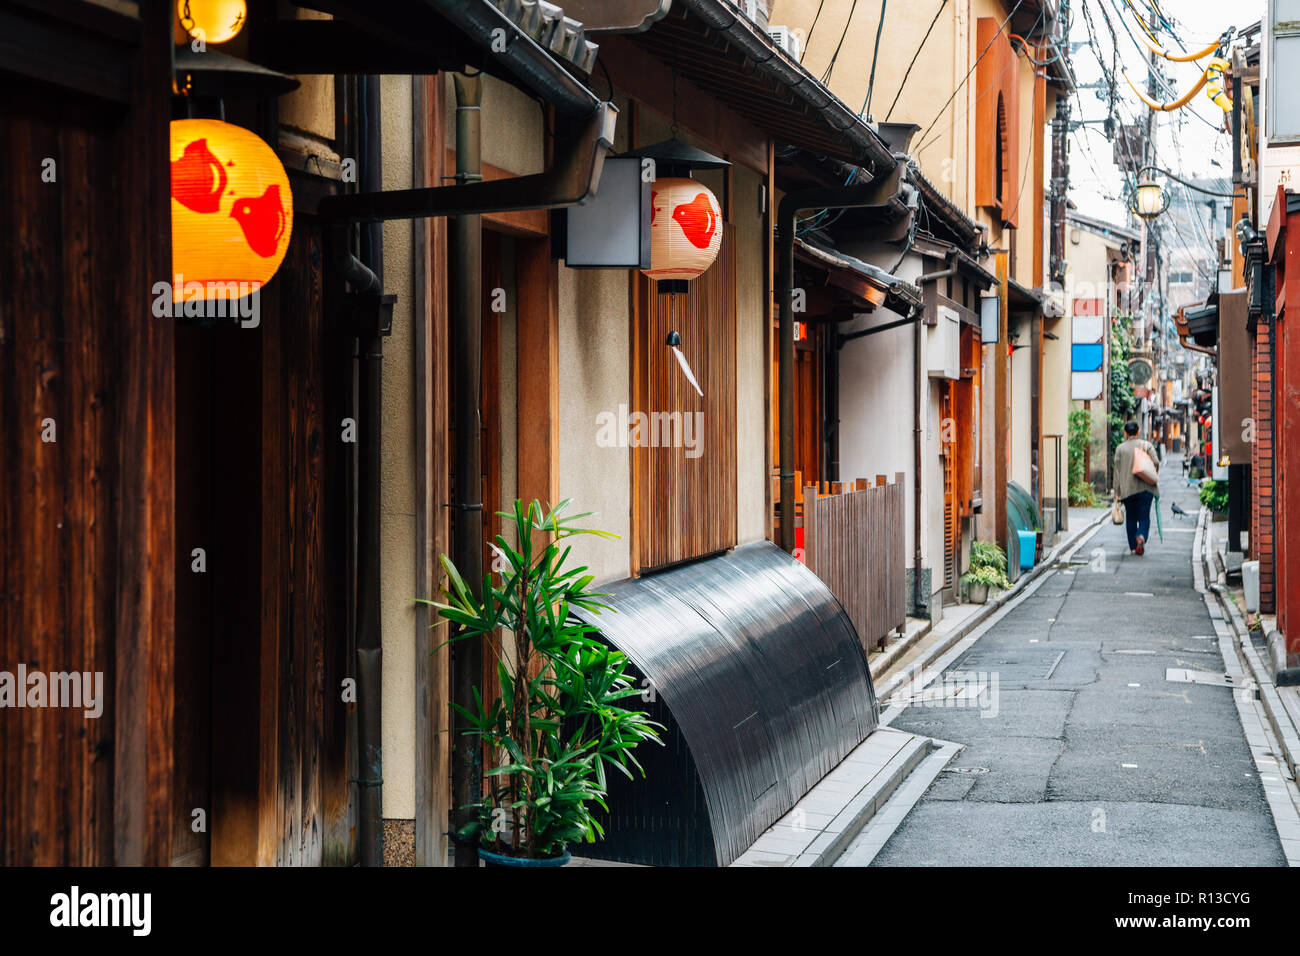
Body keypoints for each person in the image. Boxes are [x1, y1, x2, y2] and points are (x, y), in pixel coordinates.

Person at [1113, 420, 1159, 555]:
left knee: (1131, 517)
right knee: (1144, 516)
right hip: (1146, 488)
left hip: (1128, 490)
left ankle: (1134, 547)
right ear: (1138, 432)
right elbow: (1156, 462)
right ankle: (1142, 536)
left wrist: (1117, 491)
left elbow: (1117, 472)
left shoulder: (1120, 449)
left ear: (1125, 433)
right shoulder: (1147, 445)